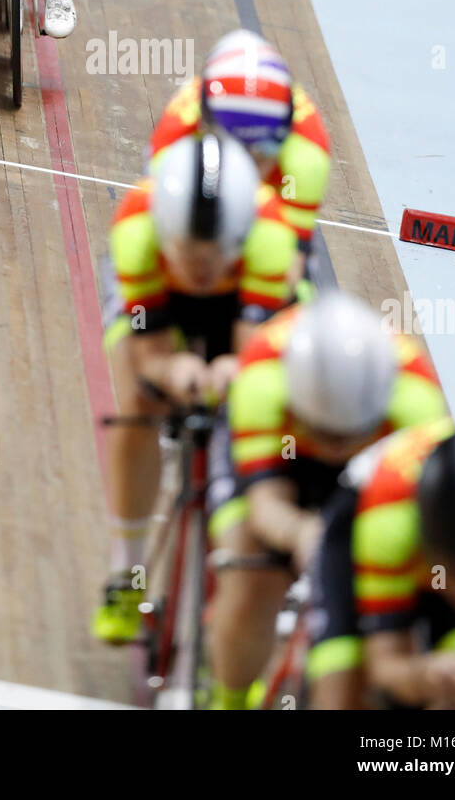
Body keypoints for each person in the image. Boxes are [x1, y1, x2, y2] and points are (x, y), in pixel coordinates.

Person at [91, 130, 302, 645]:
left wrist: (236, 369)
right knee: (140, 402)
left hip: (245, 299)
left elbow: (253, 350)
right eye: (190, 254)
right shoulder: (137, 226)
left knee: (284, 402)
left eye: (214, 257)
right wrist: (169, 371)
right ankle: (126, 574)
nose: (202, 269)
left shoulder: (271, 234)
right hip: (164, 299)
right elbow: (149, 350)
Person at [206, 293, 445, 708]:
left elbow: (408, 537)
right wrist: (301, 534)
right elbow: (265, 505)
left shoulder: (419, 407)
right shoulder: (262, 379)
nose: (335, 447)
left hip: (374, 477)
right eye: (324, 432)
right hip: (286, 460)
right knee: (252, 573)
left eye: (347, 435)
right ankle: (229, 698)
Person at [309, 419, 455, 710]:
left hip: (433, 555)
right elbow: (385, 669)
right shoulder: (389, 525)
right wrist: (426, 676)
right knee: (342, 685)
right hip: (366, 521)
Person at [148, 29, 331, 255]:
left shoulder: (306, 159)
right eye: (236, 153)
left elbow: (291, 260)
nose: (246, 170)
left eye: (263, 151)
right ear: (203, 129)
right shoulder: (174, 141)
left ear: (285, 135)